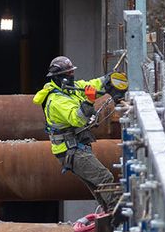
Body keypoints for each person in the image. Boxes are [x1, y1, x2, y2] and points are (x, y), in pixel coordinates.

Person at [33, 56, 126, 206]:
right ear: (59, 77)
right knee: (104, 178)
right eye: (68, 74)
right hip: (71, 150)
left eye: (71, 72)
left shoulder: (71, 90)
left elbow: (90, 85)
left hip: (77, 147)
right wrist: (89, 101)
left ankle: (109, 216)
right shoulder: (56, 100)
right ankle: (117, 213)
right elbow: (78, 119)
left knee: (97, 184)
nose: (71, 76)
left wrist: (109, 79)